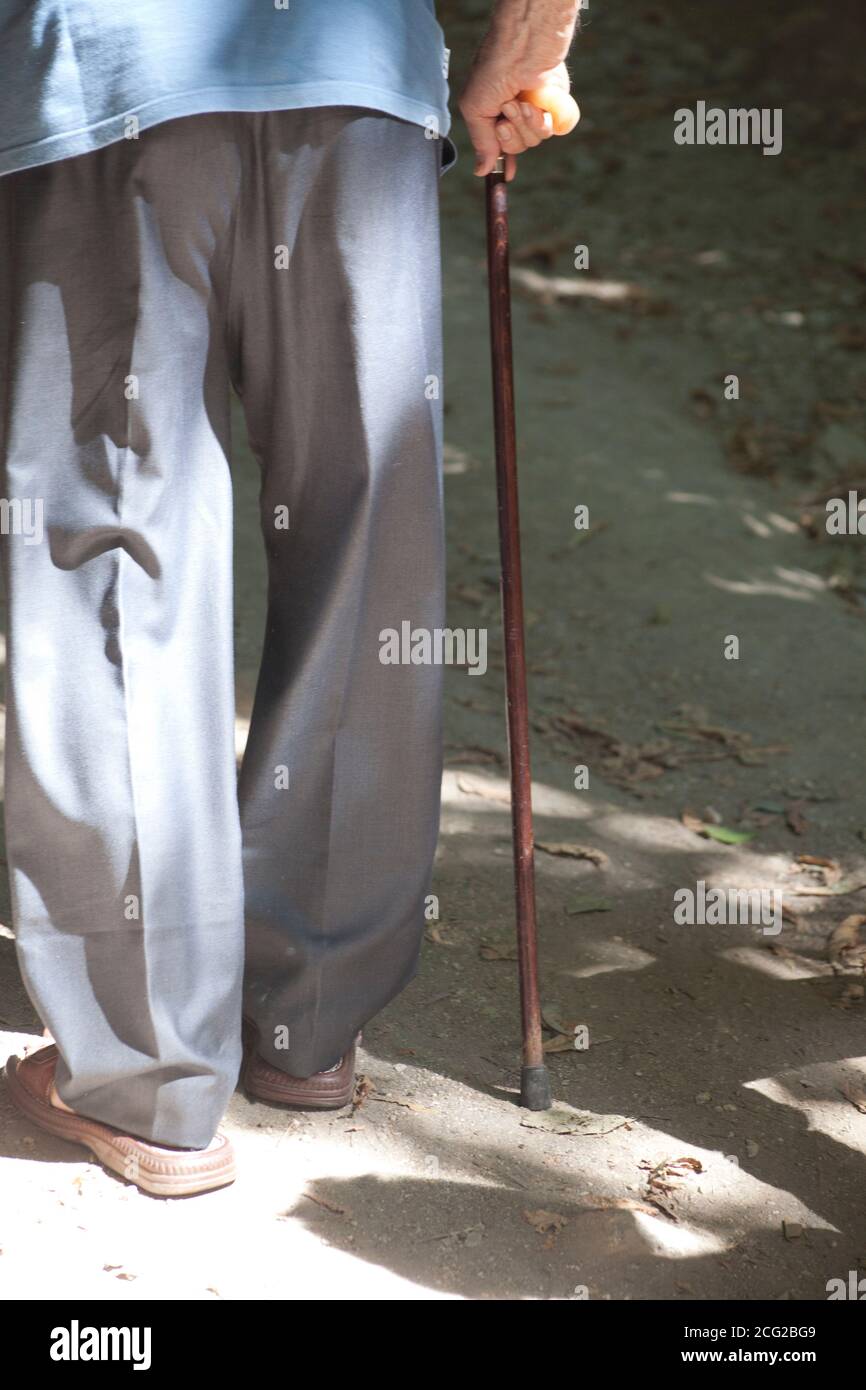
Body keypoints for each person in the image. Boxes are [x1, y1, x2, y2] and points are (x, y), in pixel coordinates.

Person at [0, 0, 581, 1197]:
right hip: (351, 74)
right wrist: (533, 39)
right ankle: (303, 1011)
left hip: (110, 71)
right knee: (365, 532)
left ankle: (150, 1064)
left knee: (113, 540)